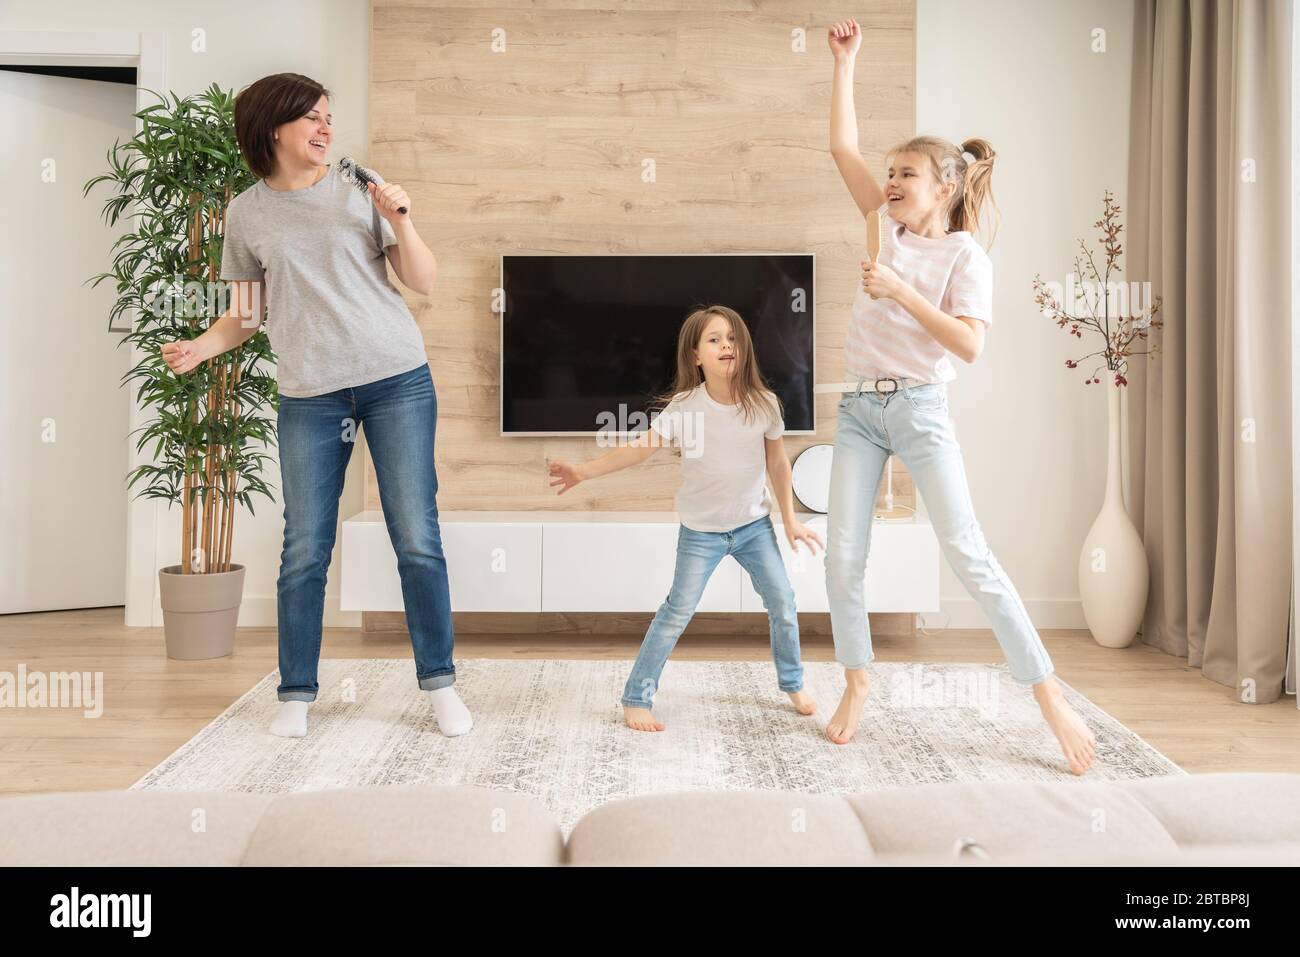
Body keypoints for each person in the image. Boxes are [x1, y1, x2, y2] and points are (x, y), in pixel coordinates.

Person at [161, 72, 471, 739]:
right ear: (274, 127)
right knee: (305, 545)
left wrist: (402, 221)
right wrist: (200, 348)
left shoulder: (360, 187)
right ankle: (296, 694)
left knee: (416, 537)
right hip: (310, 393)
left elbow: (424, 280)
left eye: (329, 116)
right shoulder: (246, 214)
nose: (326, 129)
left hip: (396, 379)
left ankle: (440, 684)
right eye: (312, 118)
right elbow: (244, 316)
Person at [823, 20, 1097, 774]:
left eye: (903, 172)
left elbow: (969, 346)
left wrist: (903, 290)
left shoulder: (963, 254)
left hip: (919, 411)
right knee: (843, 556)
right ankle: (856, 680)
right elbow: (841, 150)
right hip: (859, 411)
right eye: (888, 172)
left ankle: (1048, 695)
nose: (888, 180)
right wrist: (845, 65)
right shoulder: (883, 227)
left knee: (969, 554)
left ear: (943, 185)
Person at [547, 305, 824, 731]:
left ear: (743, 348)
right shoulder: (685, 408)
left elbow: (778, 464)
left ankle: (793, 683)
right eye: (714, 340)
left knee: (783, 603)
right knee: (677, 611)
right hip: (701, 533)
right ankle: (635, 698)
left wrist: (789, 520)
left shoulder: (764, 404)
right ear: (696, 356)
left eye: (732, 338)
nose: (726, 346)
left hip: (753, 528)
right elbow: (640, 448)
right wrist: (583, 472)